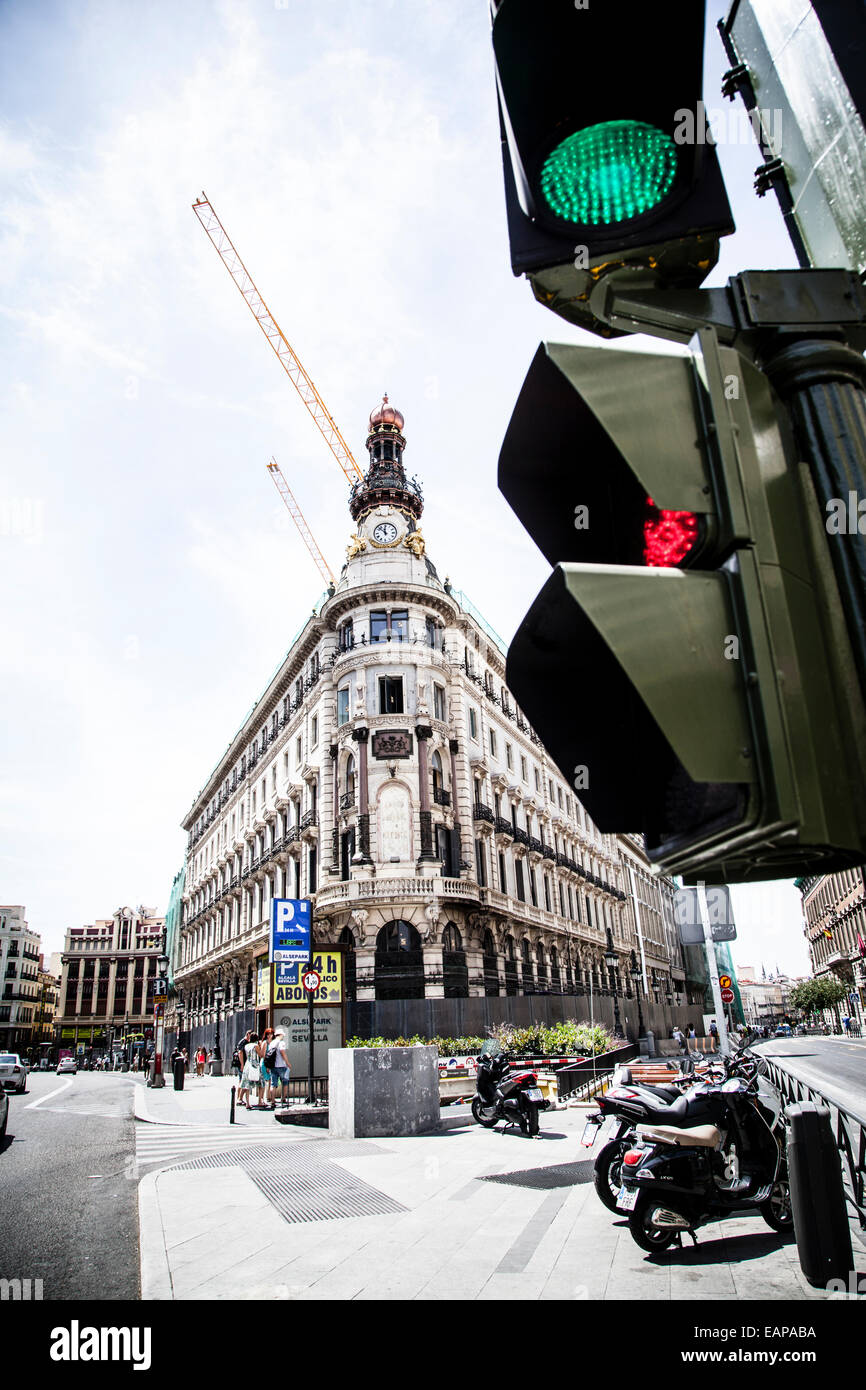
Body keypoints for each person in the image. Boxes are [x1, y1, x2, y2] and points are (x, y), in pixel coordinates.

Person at [238, 1031, 261, 1110]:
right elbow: (260, 1054)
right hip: (254, 1065)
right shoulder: (256, 1045)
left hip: (247, 1064)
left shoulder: (246, 1046)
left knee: (247, 1085)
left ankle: (247, 1103)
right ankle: (260, 1101)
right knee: (260, 1082)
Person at [269, 1028, 291, 1108]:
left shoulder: (272, 1043)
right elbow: (283, 1053)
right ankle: (283, 1098)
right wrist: (288, 1063)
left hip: (273, 1066)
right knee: (285, 1083)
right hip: (282, 1066)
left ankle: (272, 1101)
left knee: (273, 1084)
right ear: (281, 1035)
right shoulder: (281, 1043)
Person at [258, 1028, 277, 1109]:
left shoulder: (272, 1042)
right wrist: (267, 1065)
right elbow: (262, 1054)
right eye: (268, 1034)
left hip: (270, 1064)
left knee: (270, 1081)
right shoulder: (265, 1043)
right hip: (265, 1064)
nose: (269, 1036)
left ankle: (269, 1097)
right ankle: (263, 1098)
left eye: (271, 1034)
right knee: (264, 1081)